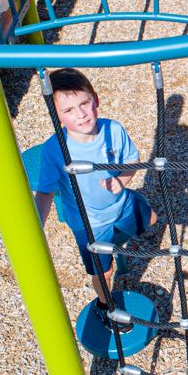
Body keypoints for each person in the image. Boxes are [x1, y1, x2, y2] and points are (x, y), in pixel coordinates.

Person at [33, 68, 157, 311]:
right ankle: (104, 305)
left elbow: (132, 159)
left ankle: (119, 239)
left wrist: (122, 180)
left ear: (96, 100)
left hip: (121, 203)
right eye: (69, 110)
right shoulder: (56, 149)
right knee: (104, 271)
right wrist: (37, 227)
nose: (80, 114)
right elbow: (45, 192)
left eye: (84, 103)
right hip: (89, 222)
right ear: (56, 116)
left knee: (152, 218)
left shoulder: (113, 130)